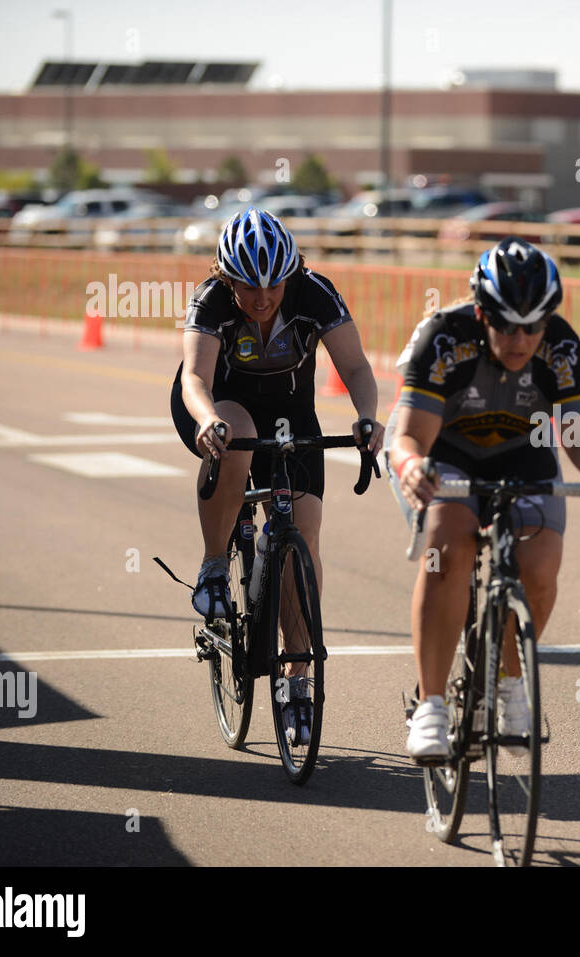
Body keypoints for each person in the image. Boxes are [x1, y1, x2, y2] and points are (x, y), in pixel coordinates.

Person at [388, 238, 580, 761]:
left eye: (533, 326)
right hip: (444, 452)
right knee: (447, 545)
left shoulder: (561, 346)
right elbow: (410, 438)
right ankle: (431, 704)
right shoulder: (444, 337)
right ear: (482, 313)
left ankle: (509, 680)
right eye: (507, 326)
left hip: (523, 453)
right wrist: (411, 468)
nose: (521, 339)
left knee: (540, 562)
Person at [171, 207, 384, 742]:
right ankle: (215, 565)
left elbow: (356, 367)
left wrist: (365, 418)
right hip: (219, 408)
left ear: (293, 273)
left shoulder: (315, 293)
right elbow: (195, 377)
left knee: (304, 534)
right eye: (249, 287)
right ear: (227, 277)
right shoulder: (212, 300)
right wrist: (207, 420)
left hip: (292, 413)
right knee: (236, 431)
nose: (263, 299)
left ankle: (297, 679)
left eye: (274, 286)